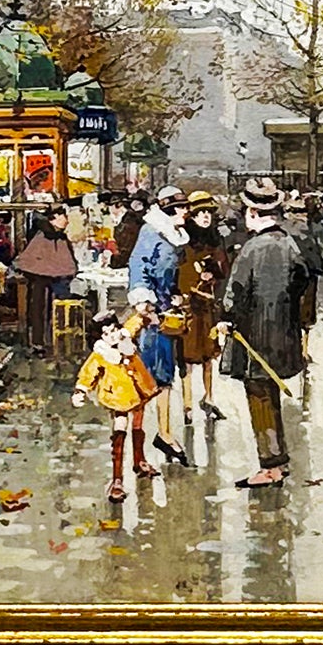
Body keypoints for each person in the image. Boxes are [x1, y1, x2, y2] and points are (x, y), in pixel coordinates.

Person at [217, 177, 311, 487]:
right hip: (281, 332)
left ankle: (271, 466)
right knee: (271, 395)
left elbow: (236, 291)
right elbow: (302, 279)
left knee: (259, 398)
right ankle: (278, 460)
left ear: (253, 213)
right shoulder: (288, 244)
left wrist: (228, 318)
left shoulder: (252, 248)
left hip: (254, 335)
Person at [124, 189, 192, 464]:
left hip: (166, 314)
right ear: (168, 211)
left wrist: (175, 293)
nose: (185, 212)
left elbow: (168, 273)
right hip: (150, 315)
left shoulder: (173, 237)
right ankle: (136, 442)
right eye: (181, 208)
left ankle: (164, 434)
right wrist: (143, 302)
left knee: (164, 377)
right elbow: (138, 268)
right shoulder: (151, 233)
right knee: (146, 379)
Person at [72, 294, 163, 502]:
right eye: (106, 334)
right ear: (99, 338)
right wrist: (81, 390)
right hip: (118, 396)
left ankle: (139, 461)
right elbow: (88, 373)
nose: (112, 336)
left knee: (139, 426)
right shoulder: (101, 354)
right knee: (120, 429)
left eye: (113, 330)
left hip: (139, 390)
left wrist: (143, 312)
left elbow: (134, 322)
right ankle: (117, 479)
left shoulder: (125, 339)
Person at [173, 189, 233, 427]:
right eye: (200, 213)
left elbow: (225, 270)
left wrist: (214, 272)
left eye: (208, 212)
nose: (205, 216)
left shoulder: (217, 240)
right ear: (192, 216)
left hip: (208, 305)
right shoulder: (182, 241)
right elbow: (176, 271)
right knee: (187, 357)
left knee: (209, 355)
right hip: (188, 305)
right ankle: (187, 404)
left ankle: (208, 398)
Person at [14, 204, 79, 352]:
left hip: (59, 282)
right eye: (63, 217)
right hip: (41, 282)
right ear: (53, 219)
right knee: (39, 312)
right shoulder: (42, 237)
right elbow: (28, 261)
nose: (67, 221)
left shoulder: (61, 237)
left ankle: (57, 341)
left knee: (57, 311)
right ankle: (39, 343)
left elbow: (68, 261)